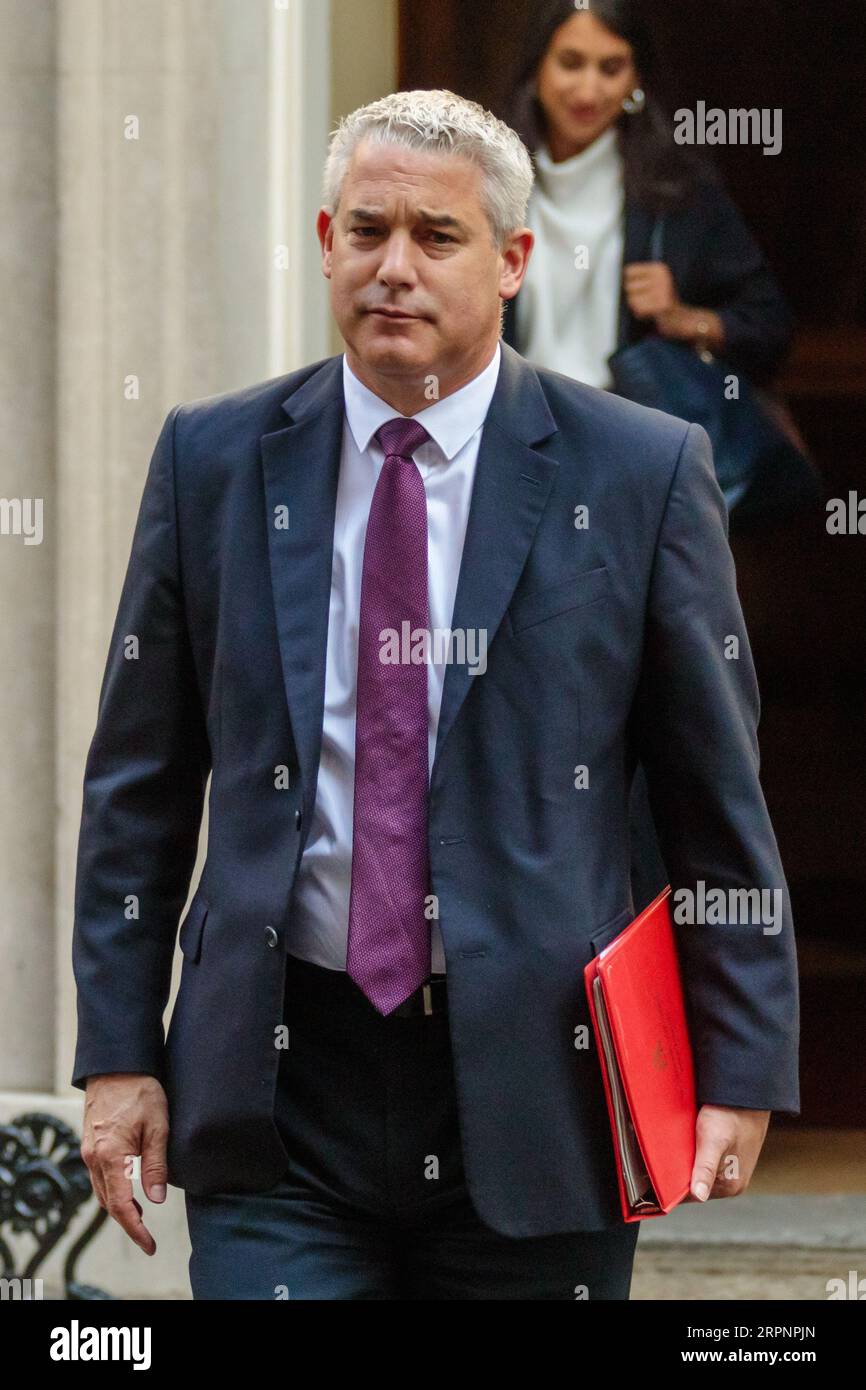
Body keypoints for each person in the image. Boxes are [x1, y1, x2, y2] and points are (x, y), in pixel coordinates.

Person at [71, 87, 799, 1301]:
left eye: (435, 236)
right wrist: (115, 1054)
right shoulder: (212, 460)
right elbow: (138, 783)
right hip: (279, 1080)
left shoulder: (637, 474)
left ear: (512, 260)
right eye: (365, 232)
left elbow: (714, 798)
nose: (392, 267)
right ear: (323, 243)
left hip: (539, 1086)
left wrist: (737, 1064)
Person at [502, 0, 796, 913]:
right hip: (507, 458)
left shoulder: (678, 189)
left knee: (637, 698)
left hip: (628, 469)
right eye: (571, 62)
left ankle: (639, 923)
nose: (588, 87)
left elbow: (767, 326)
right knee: (514, 697)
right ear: (538, 69)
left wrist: (684, 315)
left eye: (612, 67)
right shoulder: (489, 180)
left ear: (637, 82)